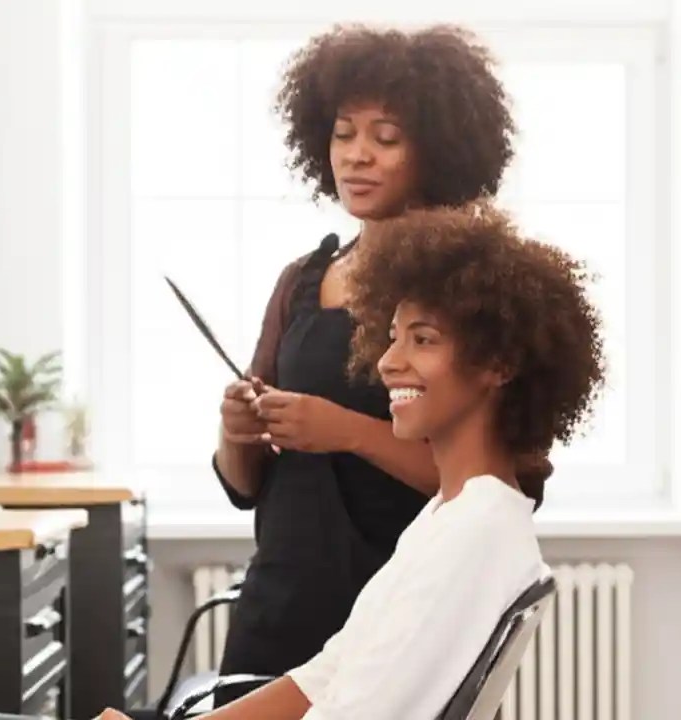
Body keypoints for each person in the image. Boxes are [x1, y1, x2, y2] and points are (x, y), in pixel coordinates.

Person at [99, 203, 605, 719]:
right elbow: (327, 674)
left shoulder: (474, 532)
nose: (388, 361)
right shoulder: (452, 514)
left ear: (499, 364)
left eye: (423, 340)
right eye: (393, 337)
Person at [209, 22, 530, 704]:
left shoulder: (469, 292)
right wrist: (237, 431)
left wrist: (346, 431)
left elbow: (502, 479)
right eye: (343, 134)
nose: (357, 156)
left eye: (386, 138)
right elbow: (246, 486)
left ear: (436, 150)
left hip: (399, 617)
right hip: (282, 607)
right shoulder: (302, 279)